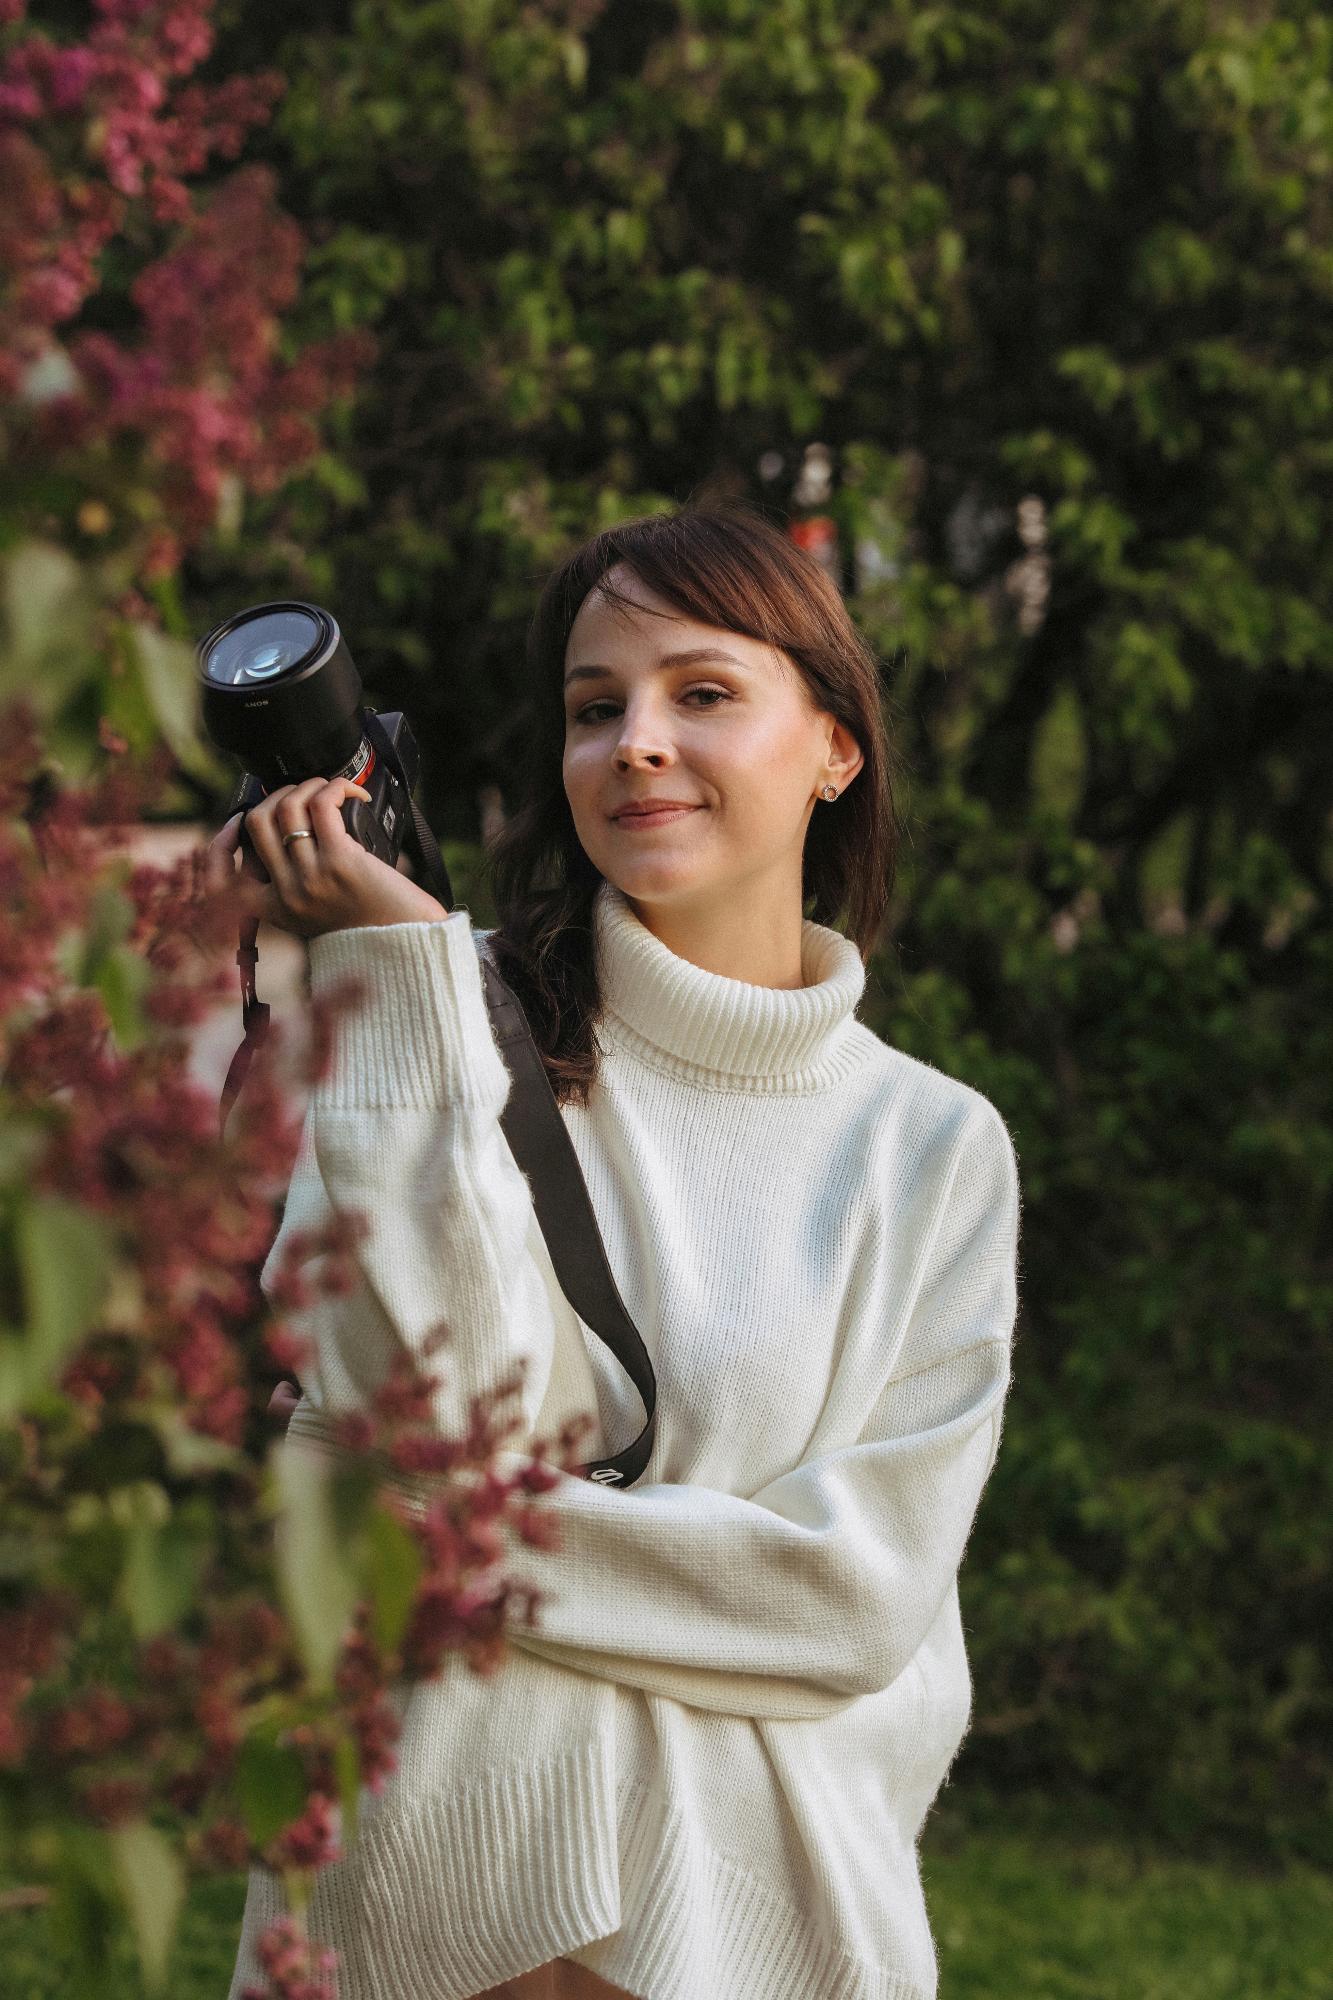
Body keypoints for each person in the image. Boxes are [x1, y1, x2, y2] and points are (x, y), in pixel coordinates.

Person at [212, 501, 1022, 2000]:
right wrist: (398, 974)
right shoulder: (420, 1023)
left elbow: (846, 1603)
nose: (637, 741)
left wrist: (436, 1527)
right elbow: (436, 1420)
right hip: (421, 1916)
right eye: (595, 709)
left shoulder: (931, 1147)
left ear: (835, 747)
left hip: (770, 1918)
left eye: (700, 693)